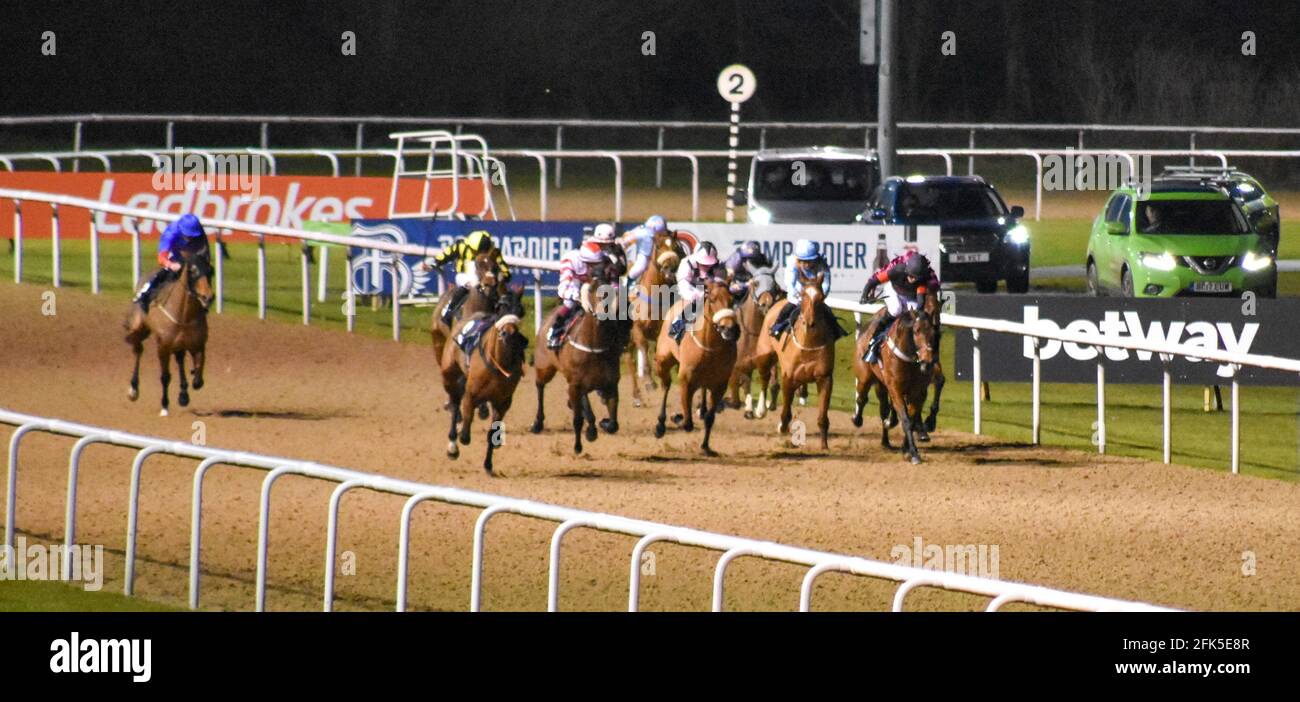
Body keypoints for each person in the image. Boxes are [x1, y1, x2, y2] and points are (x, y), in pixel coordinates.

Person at [859, 251, 936, 364]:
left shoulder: (921, 281)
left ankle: (918, 348)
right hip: (893, 290)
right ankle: (874, 340)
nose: (913, 279)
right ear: (906, 271)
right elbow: (874, 281)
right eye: (911, 276)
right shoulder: (897, 270)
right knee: (896, 310)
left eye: (916, 278)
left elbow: (920, 303)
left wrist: (919, 315)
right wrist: (864, 296)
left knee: (915, 315)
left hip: (910, 297)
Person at [132, 213, 211, 312]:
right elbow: (161, 258)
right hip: (174, 254)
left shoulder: (198, 231)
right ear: (181, 230)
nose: (191, 238)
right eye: (188, 235)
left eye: (193, 236)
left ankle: (205, 299)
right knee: (165, 272)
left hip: (192, 255)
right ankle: (144, 295)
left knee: (206, 271)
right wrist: (171, 264)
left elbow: (205, 252)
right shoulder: (170, 233)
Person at [433, 229, 511, 325]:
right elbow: (445, 255)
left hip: (484, 278)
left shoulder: (493, 251)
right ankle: (449, 312)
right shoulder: (461, 246)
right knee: (473, 282)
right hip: (464, 275)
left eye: (484, 251)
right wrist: (436, 262)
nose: (481, 254)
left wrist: (504, 275)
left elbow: (504, 268)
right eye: (478, 251)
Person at [547, 240, 608, 349]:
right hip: (574, 283)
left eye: (596, 265)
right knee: (570, 304)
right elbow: (562, 289)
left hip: (592, 284)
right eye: (591, 265)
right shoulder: (570, 261)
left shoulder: (601, 259)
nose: (593, 268)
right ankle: (555, 332)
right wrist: (574, 296)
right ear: (584, 261)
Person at [769, 239, 832, 338]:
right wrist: (797, 295)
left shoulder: (822, 263)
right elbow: (790, 283)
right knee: (788, 308)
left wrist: (820, 296)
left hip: (815, 295)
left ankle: (836, 332)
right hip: (798, 293)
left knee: (828, 313)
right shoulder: (793, 263)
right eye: (803, 261)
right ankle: (777, 327)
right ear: (798, 259)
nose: (806, 264)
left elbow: (826, 284)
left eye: (809, 261)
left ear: (815, 259)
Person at [667, 242, 726, 342]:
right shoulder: (686, 263)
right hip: (691, 290)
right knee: (693, 306)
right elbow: (683, 284)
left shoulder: (719, 266)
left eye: (710, 264)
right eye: (703, 263)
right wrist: (696, 295)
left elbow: (719, 284)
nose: (706, 266)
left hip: (711, 292)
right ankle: (676, 328)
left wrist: (711, 293)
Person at [619, 215, 668, 283]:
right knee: (640, 267)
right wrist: (624, 242)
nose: (659, 235)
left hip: (657, 255)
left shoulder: (662, 235)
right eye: (658, 233)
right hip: (644, 255)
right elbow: (630, 237)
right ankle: (627, 281)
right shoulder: (643, 232)